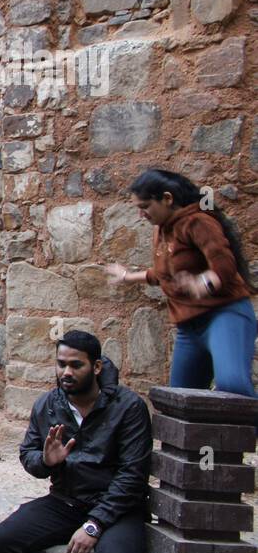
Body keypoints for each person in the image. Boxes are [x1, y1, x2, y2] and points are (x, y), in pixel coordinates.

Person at [0, 331, 151, 553]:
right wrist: (47, 462)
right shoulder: (48, 404)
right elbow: (29, 454)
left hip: (117, 510)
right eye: (61, 364)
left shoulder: (128, 407)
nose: (66, 372)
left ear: (97, 367)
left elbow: (133, 476)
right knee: (3, 541)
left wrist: (95, 525)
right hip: (65, 501)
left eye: (76, 365)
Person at [105, 168, 257, 397]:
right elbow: (162, 274)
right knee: (180, 399)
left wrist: (203, 283)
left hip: (224, 315)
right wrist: (127, 276)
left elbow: (224, 266)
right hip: (189, 327)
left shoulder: (198, 221)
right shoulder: (161, 230)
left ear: (167, 199)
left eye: (145, 206)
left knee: (233, 387)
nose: (141, 215)